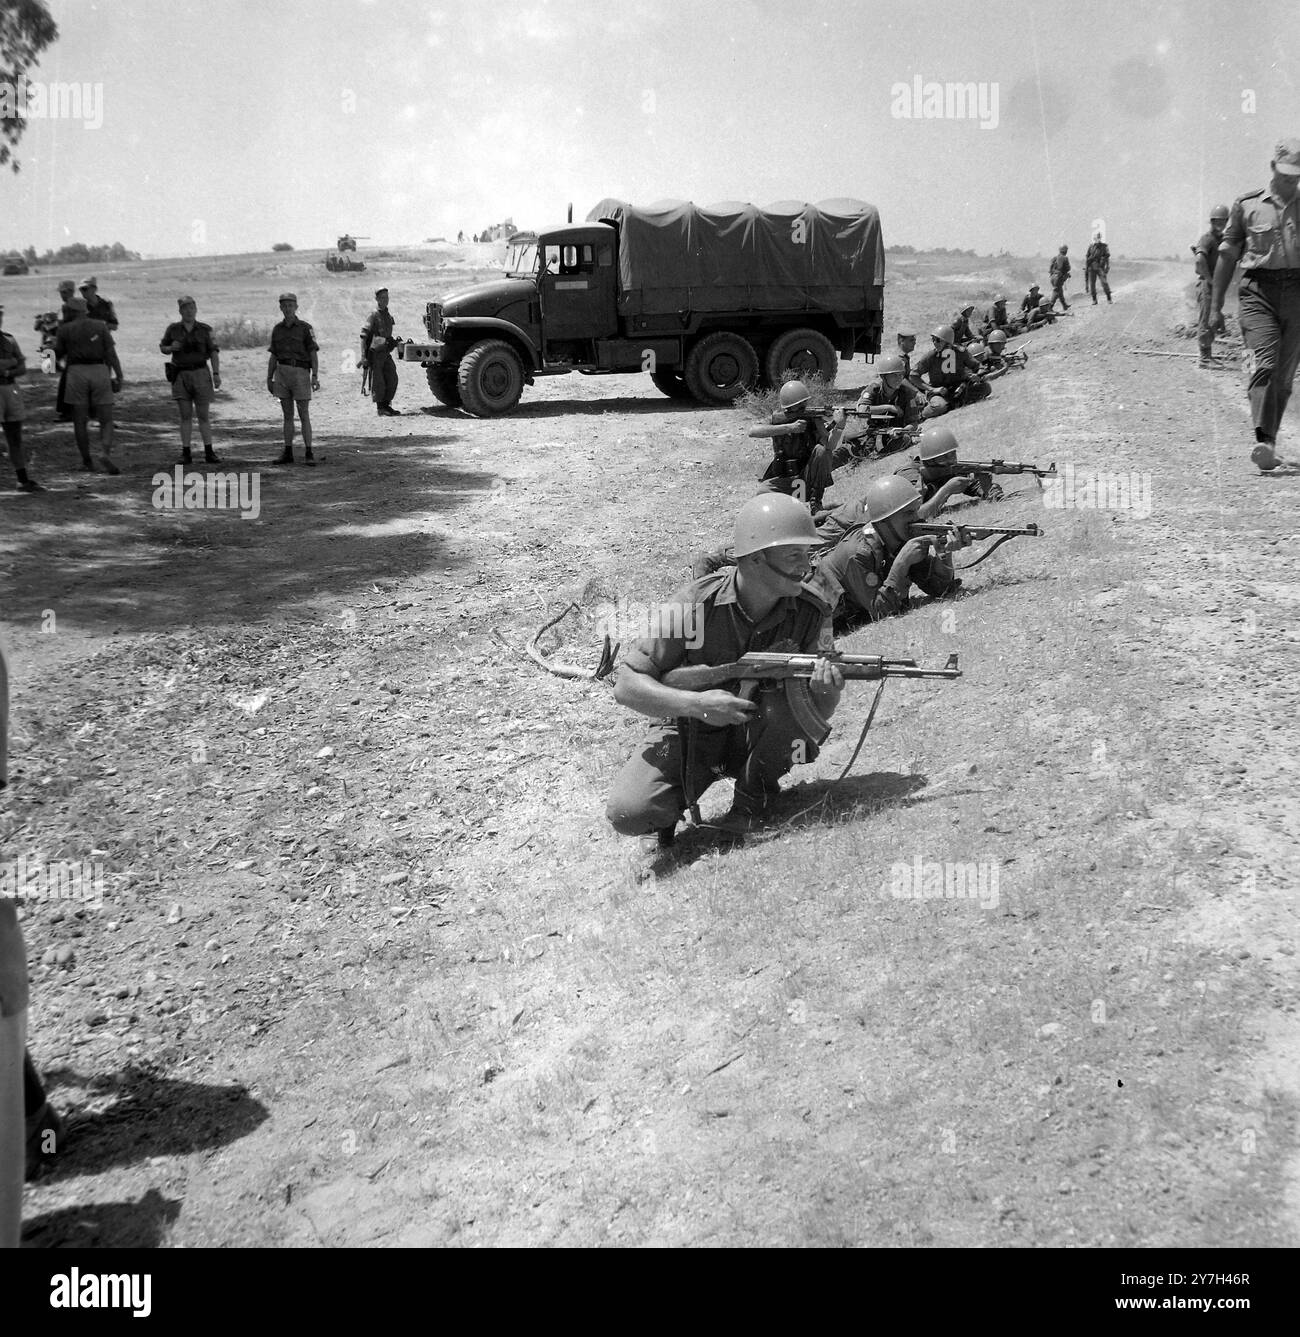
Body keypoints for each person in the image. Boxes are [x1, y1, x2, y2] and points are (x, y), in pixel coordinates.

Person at [606, 493, 843, 843]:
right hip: (688, 730)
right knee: (630, 813)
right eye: (794, 555)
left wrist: (827, 689)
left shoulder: (812, 612)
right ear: (757, 559)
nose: (806, 566)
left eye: (807, 555)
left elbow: (817, 712)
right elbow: (627, 686)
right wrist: (699, 706)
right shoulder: (695, 607)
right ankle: (668, 812)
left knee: (793, 707)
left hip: (759, 729)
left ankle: (754, 797)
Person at [1210, 138, 1300, 471]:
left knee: (1285, 377)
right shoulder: (1247, 205)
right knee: (1262, 363)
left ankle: (1270, 444)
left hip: (1297, 294)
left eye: (1297, 175)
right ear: (1273, 167)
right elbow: (1227, 255)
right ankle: (1262, 439)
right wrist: (1214, 306)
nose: (1292, 181)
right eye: (1287, 173)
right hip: (1257, 293)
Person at [812, 475, 959, 630]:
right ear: (884, 520)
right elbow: (879, 612)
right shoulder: (858, 553)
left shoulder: (899, 538)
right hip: (817, 622)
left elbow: (940, 589)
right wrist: (902, 563)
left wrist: (944, 555)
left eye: (915, 511)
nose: (916, 518)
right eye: (908, 513)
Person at [53, 295, 122, 475]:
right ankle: (105, 453)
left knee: (80, 421)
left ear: (71, 312)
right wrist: (119, 375)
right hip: (100, 370)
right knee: (106, 419)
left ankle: (87, 461)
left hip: (76, 372)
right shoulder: (100, 326)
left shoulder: (65, 329)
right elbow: (111, 354)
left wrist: (46, 354)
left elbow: (50, 363)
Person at [756, 379, 842, 512]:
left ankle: (816, 503)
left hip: (806, 478)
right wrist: (789, 428)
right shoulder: (779, 420)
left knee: (821, 450)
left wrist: (838, 425)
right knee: (762, 492)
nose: (804, 407)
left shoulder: (813, 419)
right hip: (785, 480)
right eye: (800, 406)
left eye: (805, 403)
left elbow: (829, 446)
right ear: (788, 407)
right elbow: (753, 431)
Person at [160, 296, 222, 465]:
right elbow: (163, 347)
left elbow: (214, 352)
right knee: (185, 415)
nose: (188, 311)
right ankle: (186, 452)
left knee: (203, 416)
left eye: (191, 307)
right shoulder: (173, 329)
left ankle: (209, 452)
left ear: (196, 309)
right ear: (180, 311)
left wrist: (216, 373)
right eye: (185, 308)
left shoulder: (205, 330)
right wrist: (170, 348)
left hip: (201, 372)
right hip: (180, 374)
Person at [267, 293, 320, 465]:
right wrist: (269, 377)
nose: (288, 308)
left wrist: (315, 376)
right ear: (281, 308)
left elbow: (313, 353)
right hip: (282, 373)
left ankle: (309, 452)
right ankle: (287, 452)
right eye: (285, 305)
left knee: (304, 413)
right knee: (287, 415)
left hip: (300, 372)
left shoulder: (305, 328)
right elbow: (273, 355)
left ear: (296, 307)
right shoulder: (277, 329)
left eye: (291, 305)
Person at [894, 422, 1002, 504]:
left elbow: (973, 485)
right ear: (930, 459)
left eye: (953, 454)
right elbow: (917, 515)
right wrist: (947, 490)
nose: (951, 460)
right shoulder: (909, 474)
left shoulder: (948, 469)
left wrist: (988, 489)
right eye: (945, 457)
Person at [0, 305, 42, 491]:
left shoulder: (9, 339)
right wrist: (11, 361)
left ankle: (22, 480)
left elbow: (23, 367)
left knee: (15, 436)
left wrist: (9, 367)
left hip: (10, 388)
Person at [911, 324, 989, 417]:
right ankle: (920, 414)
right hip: (939, 392)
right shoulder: (930, 357)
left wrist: (978, 376)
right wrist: (932, 389)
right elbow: (913, 375)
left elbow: (978, 366)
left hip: (959, 389)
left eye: (938, 340)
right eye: (933, 340)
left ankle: (952, 404)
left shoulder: (961, 352)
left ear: (948, 342)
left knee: (986, 388)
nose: (935, 343)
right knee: (939, 407)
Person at [1194, 205, 1232, 367]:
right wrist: (1210, 280)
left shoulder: (1221, 240)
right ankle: (1204, 358)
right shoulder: (1207, 239)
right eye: (1217, 221)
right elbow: (1199, 260)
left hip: (1215, 286)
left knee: (1212, 319)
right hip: (1206, 284)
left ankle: (1207, 355)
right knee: (1206, 319)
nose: (1220, 224)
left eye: (1223, 221)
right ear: (1211, 221)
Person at [359, 287, 401, 416]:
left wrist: (394, 342)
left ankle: (387, 405)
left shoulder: (387, 315)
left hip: (385, 353)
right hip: (375, 354)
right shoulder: (373, 315)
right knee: (379, 381)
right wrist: (363, 357)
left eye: (387, 297)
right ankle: (380, 407)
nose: (385, 300)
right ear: (377, 299)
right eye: (382, 298)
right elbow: (364, 337)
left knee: (392, 378)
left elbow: (387, 336)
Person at [1085, 235, 1113, 304]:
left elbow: (1107, 257)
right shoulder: (1091, 246)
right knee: (1092, 284)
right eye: (1096, 238)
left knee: (1104, 283)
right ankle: (1094, 299)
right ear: (1094, 239)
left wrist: (1107, 266)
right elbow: (1087, 257)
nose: (1097, 239)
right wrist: (1086, 267)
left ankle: (1109, 298)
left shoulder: (1104, 246)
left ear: (1100, 238)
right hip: (1091, 267)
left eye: (1098, 238)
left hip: (1100, 267)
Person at [1049, 245, 1071, 311]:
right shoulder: (1065, 258)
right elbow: (1067, 268)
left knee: (1060, 291)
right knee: (1056, 291)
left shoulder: (1055, 258)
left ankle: (1064, 305)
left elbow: (1051, 268)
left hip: (1053, 277)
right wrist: (1066, 274)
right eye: (1066, 250)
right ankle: (1050, 307)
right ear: (1065, 251)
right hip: (1058, 278)